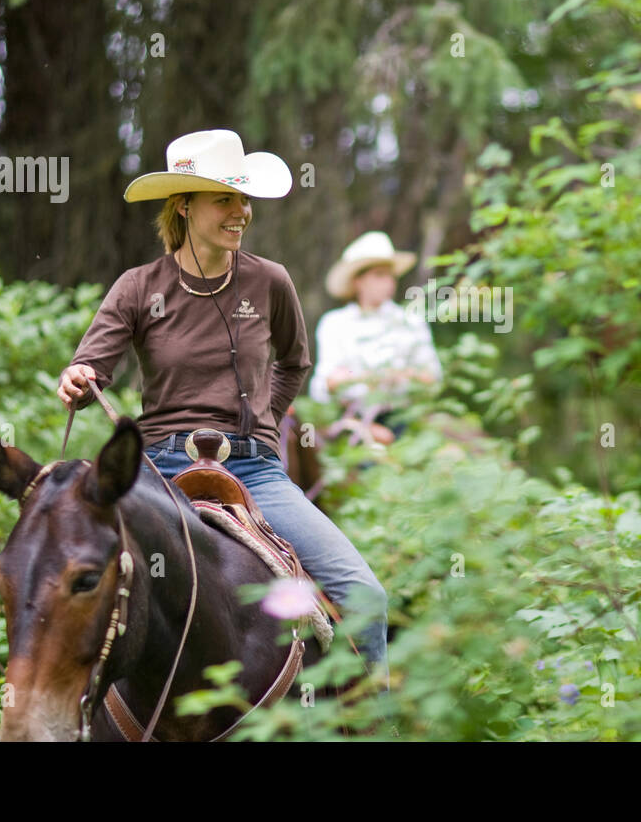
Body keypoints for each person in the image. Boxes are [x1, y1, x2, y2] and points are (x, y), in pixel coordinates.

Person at [56, 129, 388, 676]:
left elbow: (294, 362)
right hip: (160, 470)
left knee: (365, 597)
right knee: (82, 589)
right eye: (224, 199)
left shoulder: (270, 282)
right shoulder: (139, 287)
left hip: (255, 473)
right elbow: (91, 370)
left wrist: (262, 426)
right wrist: (76, 377)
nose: (241, 212)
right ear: (184, 206)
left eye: (243, 198)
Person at [309, 231, 442, 443]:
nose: (389, 282)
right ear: (358, 281)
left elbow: (432, 378)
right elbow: (323, 386)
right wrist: (368, 379)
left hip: (403, 420)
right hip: (350, 420)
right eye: (379, 275)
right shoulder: (335, 323)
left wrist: (401, 376)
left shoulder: (409, 321)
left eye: (390, 275)